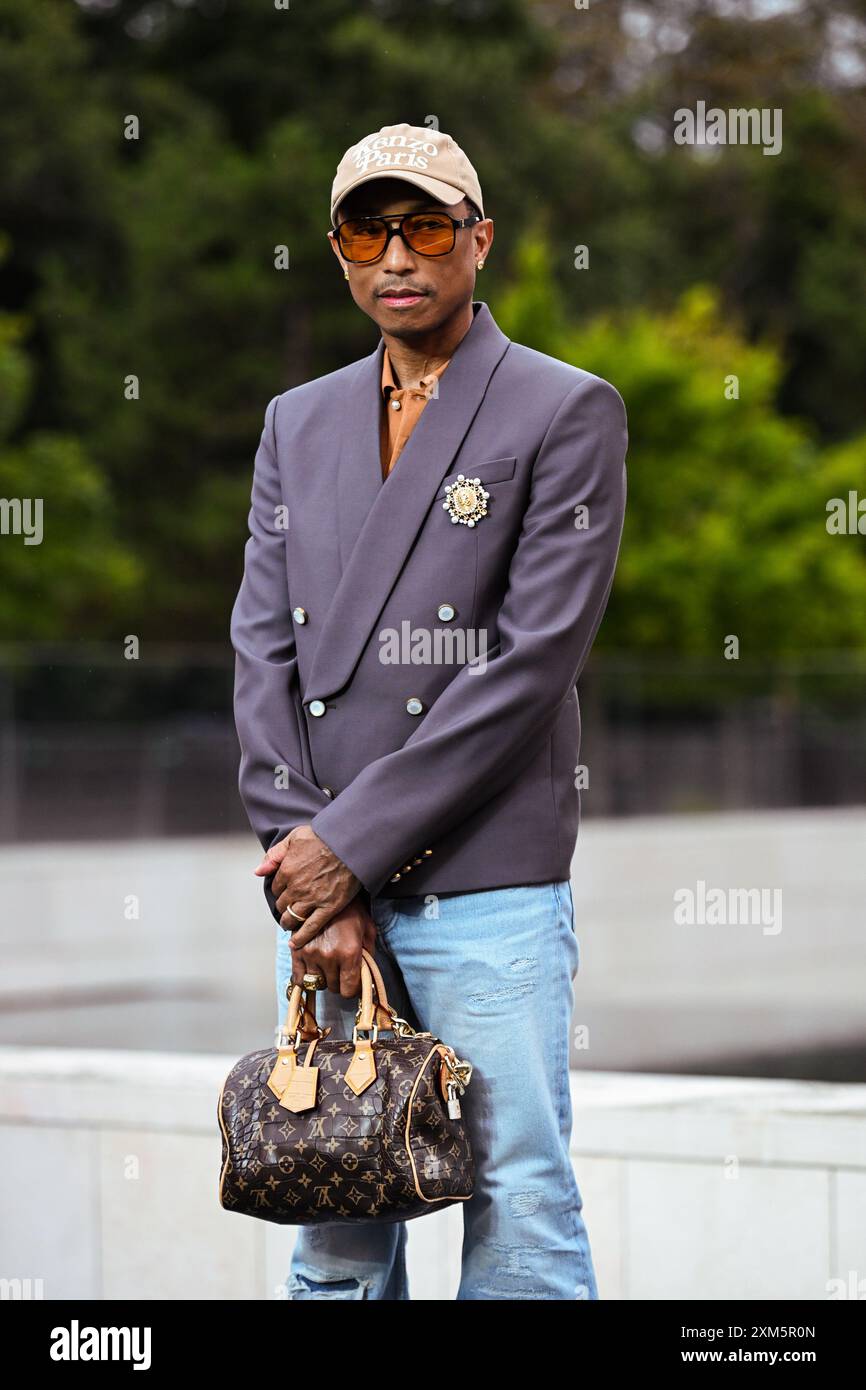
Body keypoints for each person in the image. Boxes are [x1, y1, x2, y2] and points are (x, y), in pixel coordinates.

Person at [229, 122, 628, 1300]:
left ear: (478, 241)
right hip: (326, 891)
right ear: (339, 253)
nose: (396, 255)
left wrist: (345, 847)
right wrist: (300, 864)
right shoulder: (293, 420)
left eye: (426, 227)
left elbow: (528, 663)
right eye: (367, 229)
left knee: (518, 1203)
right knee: (334, 1217)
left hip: (487, 890)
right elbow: (261, 649)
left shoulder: (563, 408)